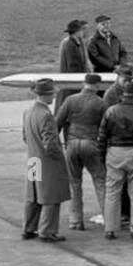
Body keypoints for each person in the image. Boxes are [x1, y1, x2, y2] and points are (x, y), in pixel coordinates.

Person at [55, 72, 107, 231]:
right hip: (91, 143)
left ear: (84, 84)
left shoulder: (70, 100)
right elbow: (106, 126)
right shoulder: (100, 102)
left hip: (72, 143)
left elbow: (57, 122)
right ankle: (108, 218)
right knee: (100, 181)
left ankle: (76, 220)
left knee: (75, 183)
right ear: (97, 86)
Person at [22, 79, 72, 242]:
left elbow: (25, 137)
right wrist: (60, 159)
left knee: (33, 196)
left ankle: (29, 228)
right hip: (47, 162)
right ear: (45, 95)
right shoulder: (46, 115)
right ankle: (47, 231)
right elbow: (50, 143)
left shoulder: (28, 112)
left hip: (33, 160)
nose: (54, 96)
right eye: (52, 93)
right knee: (51, 196)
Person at [97, 80, 133, 240]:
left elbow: (102, 135)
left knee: (112, 191)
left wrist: (102, 155)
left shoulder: (111, 111)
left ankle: (110, 228)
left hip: (114, 152)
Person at [56, 18, 90, 111]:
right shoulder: (70, 45)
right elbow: (73, 66)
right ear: (77, 31)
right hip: (74, 82)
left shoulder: (76, 43)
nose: (83, 32)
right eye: (82, 30)